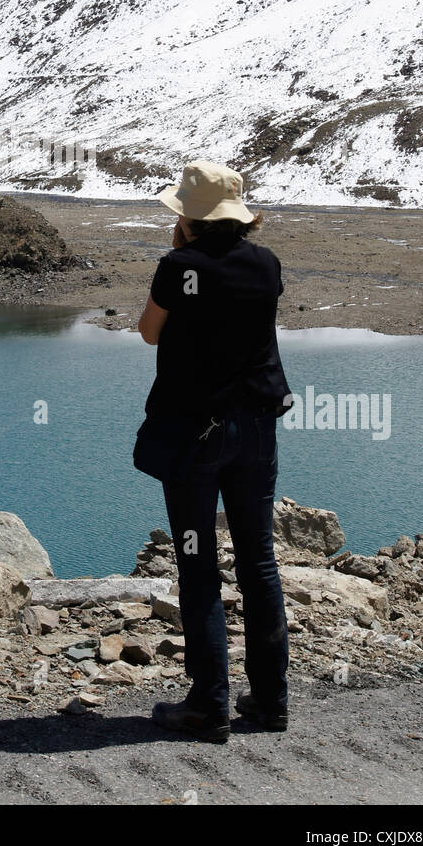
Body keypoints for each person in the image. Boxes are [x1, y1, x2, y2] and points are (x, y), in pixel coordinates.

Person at [133, 159, 292, 743]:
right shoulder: (266, 262)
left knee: (198, 567)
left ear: (189, 220)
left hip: (196, 433)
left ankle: (209, 705)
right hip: (257, 428)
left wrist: (180, 252)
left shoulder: (179, 267)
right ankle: (271, 701)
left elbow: (150, 331)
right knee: (259, 563)